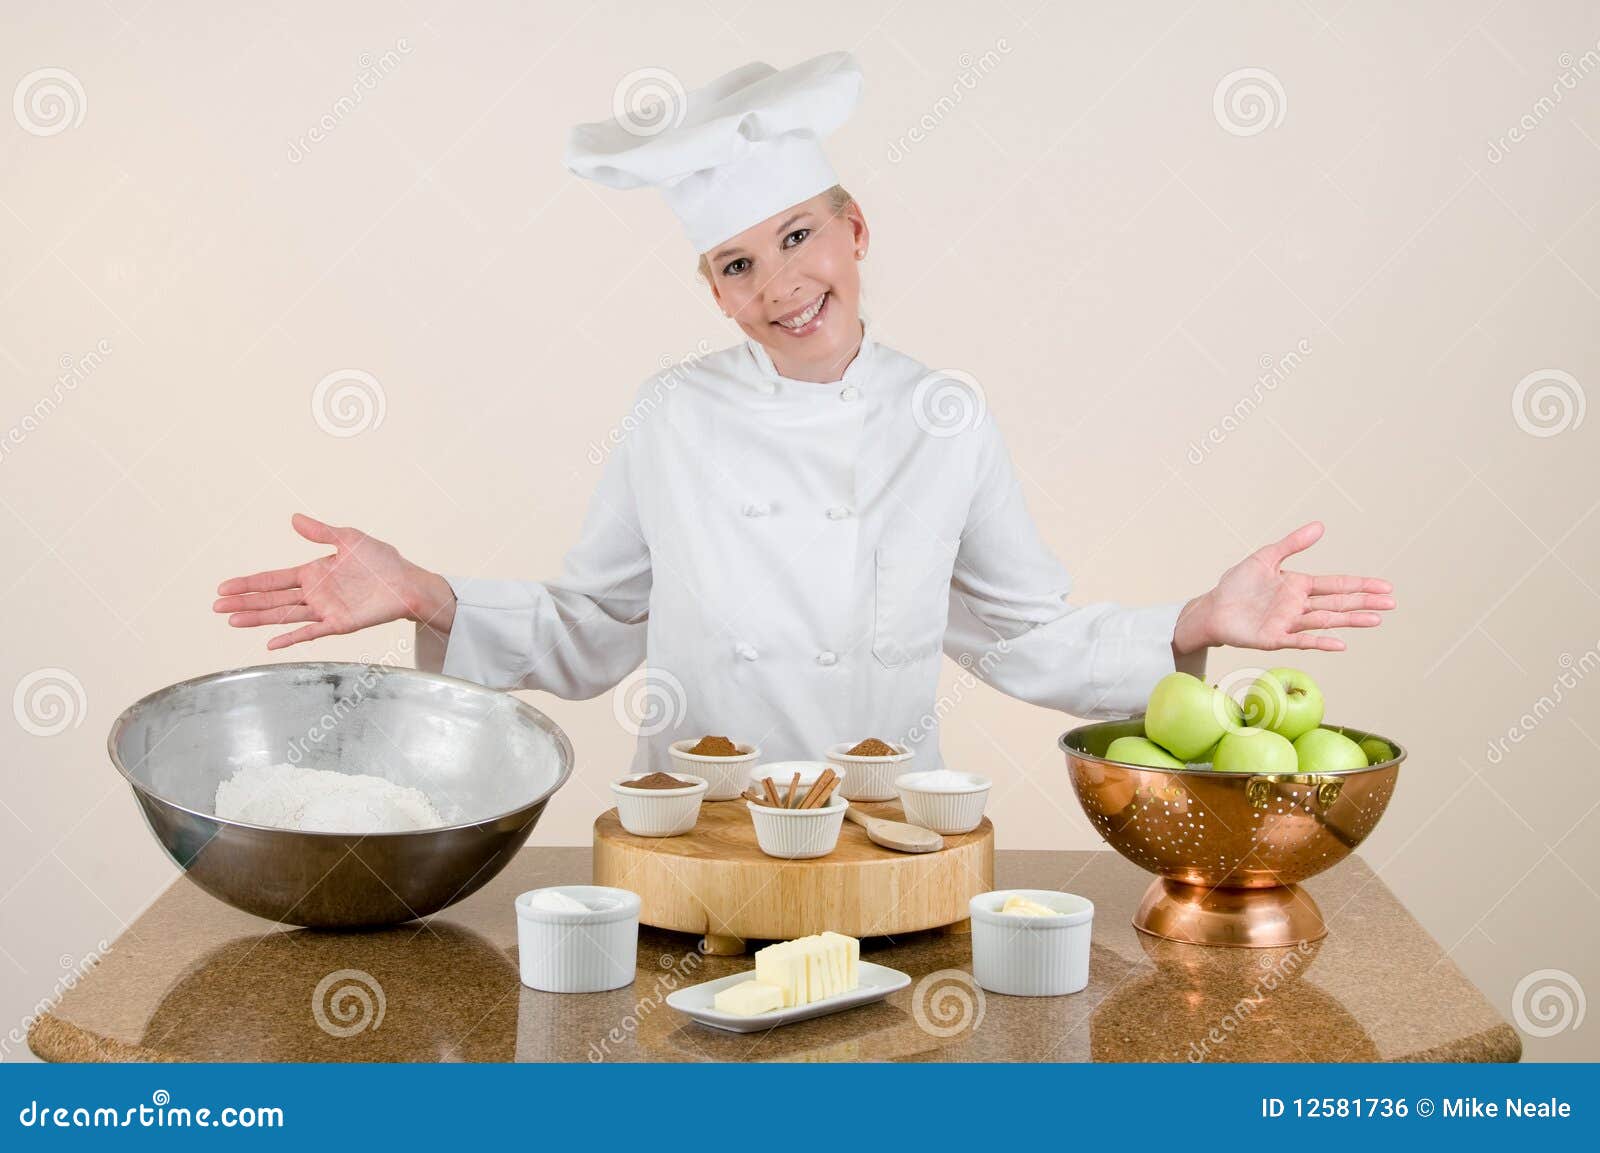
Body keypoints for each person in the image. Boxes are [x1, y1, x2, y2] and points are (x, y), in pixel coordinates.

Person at [214, 51, 1395, 775]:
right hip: (692, 835)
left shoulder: (948, 415)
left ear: (855, 229)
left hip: (889, 835)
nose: (778, 284)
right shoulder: (669, 415)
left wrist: (1197, 616)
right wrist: (427, 590)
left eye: (794, 236)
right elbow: (592, 624)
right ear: (712, 293)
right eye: (734, 265)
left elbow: (1019, 634)